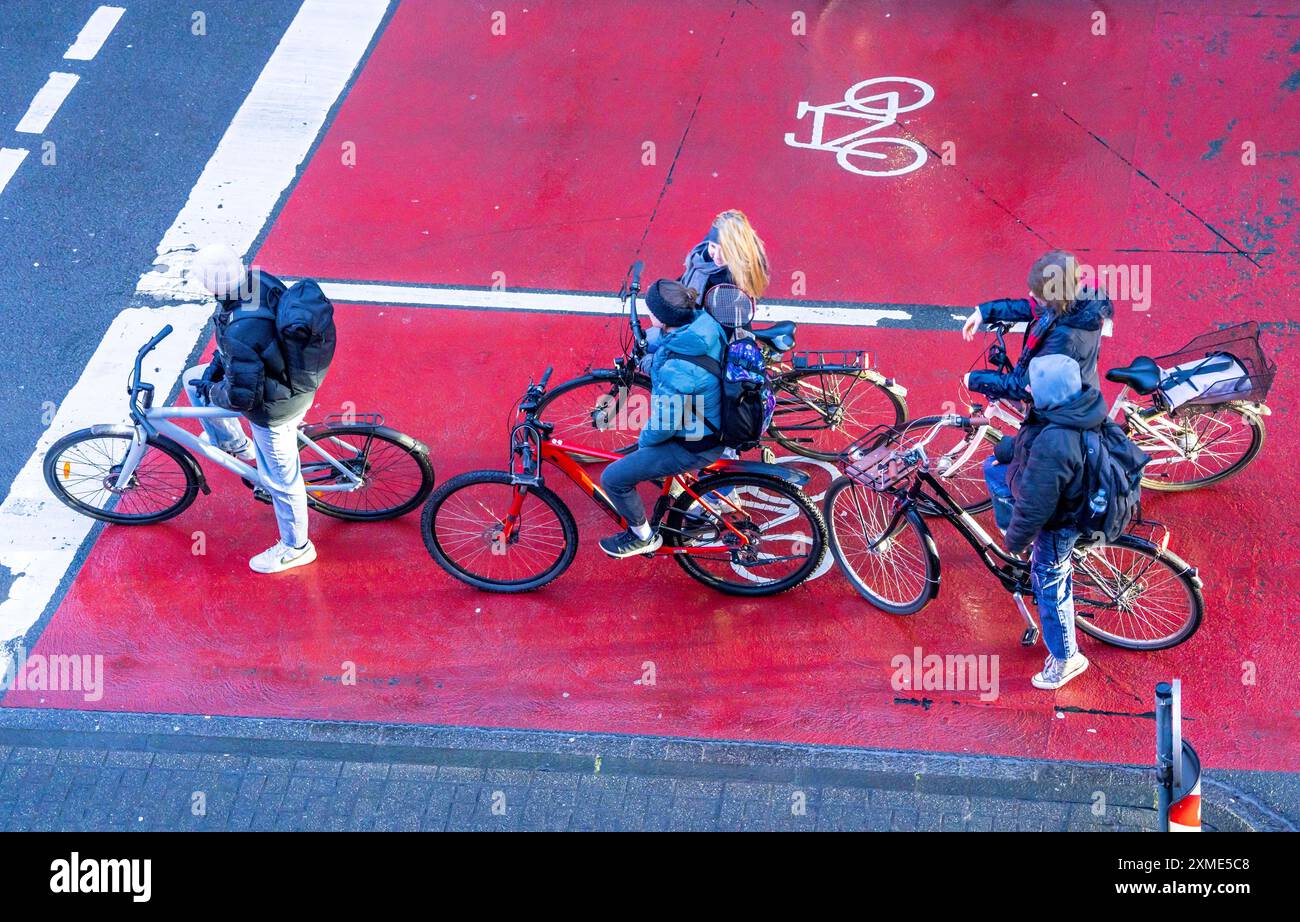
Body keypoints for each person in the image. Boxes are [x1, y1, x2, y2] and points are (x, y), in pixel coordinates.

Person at [184, 244, 321, 574]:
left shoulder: (241, 328)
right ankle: (235, 444)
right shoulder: (257, 280)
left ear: (212, 286)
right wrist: (215, 368)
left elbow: (240, 398)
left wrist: (214, 388)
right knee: (193, 379)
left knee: (282, 483)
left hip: (276, 408)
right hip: (289, 376)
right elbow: (243, 348)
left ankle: (296, 547)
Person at [985, 354, 1109, 690]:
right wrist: (1007, 448)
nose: (1026, 388)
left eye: (1033, 386)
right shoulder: (1073, 405)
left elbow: (1036, 503)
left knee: (1050, 581)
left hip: (1060, 520)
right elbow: (1032, 440)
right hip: (1071, 492)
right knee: (990, 467)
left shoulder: (1056, 443)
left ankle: (1067, 658)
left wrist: (1015, 540)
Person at [598, 279, 726, 558]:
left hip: (695, 442)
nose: (647, 315)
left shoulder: (678, 370)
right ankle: (691, 508)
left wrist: (644, 444)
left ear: (664, 318)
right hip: (705, 421)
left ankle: (642, 536)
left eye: (650, 311)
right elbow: (665, 341)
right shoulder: (702, 324)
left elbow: (664, 424)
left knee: (614, 478)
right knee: (650, 464)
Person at [960, 250, 1112, 403]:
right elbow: (1036, 309)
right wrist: (985, 312)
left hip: (1062, 407)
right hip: (1081, 382)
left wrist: (977, 380)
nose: (1031, 294)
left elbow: (1028, 386)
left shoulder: (1063, 339)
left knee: (1032, 425)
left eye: (1038, 294)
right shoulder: (1079, 302)